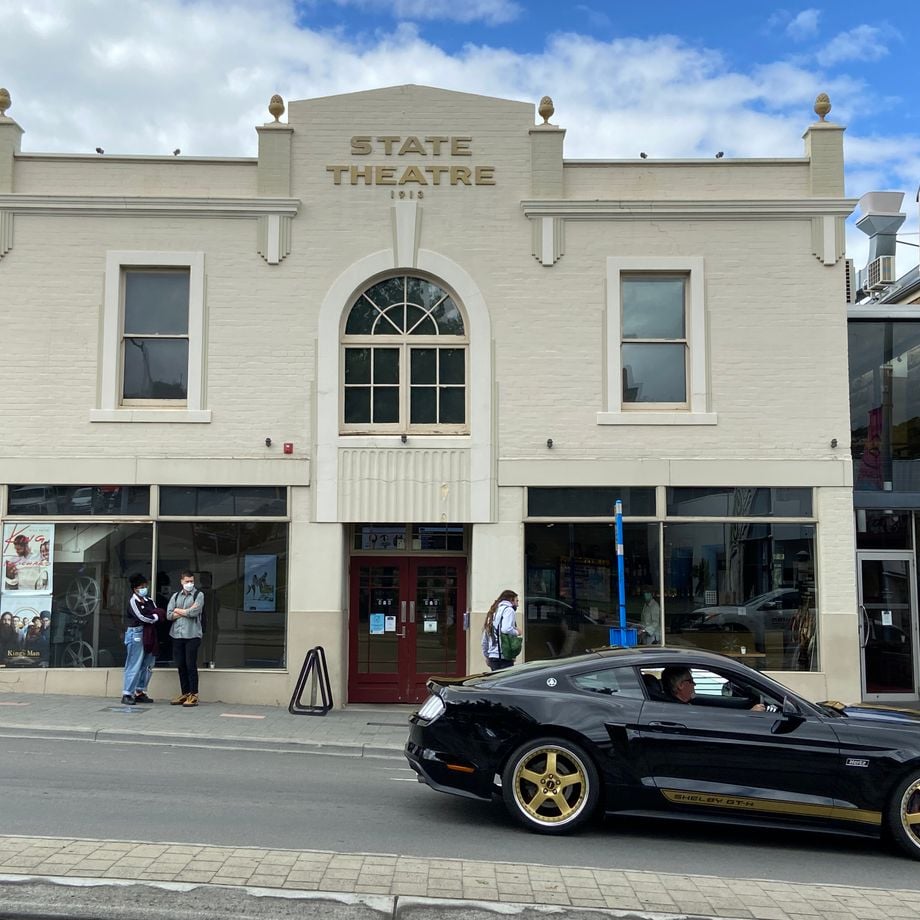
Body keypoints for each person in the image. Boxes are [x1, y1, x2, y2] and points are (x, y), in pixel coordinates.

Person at [122, 574, 164, 705]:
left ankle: (139, 692)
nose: (144, 589)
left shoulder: (149, 600)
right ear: (135, 589)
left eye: (145, 586)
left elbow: (156, 611)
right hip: (136, 634)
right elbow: (142, 617)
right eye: (141, 587)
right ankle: (127, 693)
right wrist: (155, 618)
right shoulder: (133, 602)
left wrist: (154, 616)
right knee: (134, 664)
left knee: (147, 664)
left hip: (149, 634)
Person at [167, 569, 204, 707]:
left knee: (190, 664)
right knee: (181, 665)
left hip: (192, 635)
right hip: (177, 635)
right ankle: (185, 693)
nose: (190, 584)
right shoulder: (176, 596)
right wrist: (186, 611)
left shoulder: (199, 595)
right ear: (182, 581)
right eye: (187, 581)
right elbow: (169, 615)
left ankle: (194, 694)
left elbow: (194, 612)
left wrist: (178, 610)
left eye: (192, 581)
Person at [661, 666, 767, 711]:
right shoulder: (682, 710)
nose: (695, 684)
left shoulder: (682, 705)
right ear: (681, 685)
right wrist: (750, 715)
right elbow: (717, 723)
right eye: (691, 681)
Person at [481, 589, 520, 671]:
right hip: (504, 656)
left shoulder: (493, 611)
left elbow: (485, 638)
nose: (518, 605)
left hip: (493, 657)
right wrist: (517, 632)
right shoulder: (509, 610)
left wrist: (487, 656)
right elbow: (506, 629)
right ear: (511, 600)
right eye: (516, 601)